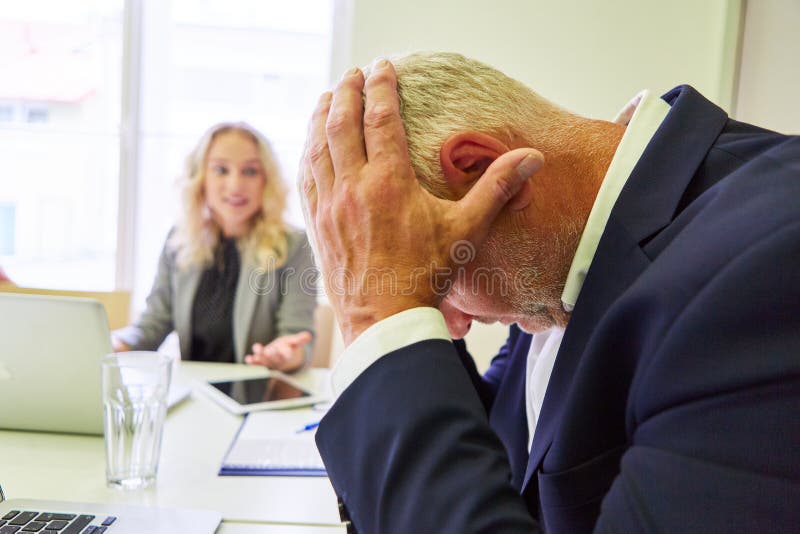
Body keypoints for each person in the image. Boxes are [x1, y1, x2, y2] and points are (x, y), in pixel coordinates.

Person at [301, 52, 800, 532]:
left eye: (435, 278)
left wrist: (379, 316)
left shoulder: (765, 267)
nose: (451, 324)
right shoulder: (567, 250)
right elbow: (509, 438)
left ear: (483, 170)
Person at [114, 122, 316, 372]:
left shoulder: (294, 246)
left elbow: (298, 339)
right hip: (195, 394)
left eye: (250, 171)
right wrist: (115, 343)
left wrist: (285, 354)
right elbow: (153, 325)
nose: (235, 185)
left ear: (267, 180)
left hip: (257, 397)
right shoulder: (179, 240)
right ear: (201, 179)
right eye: (221, 170)